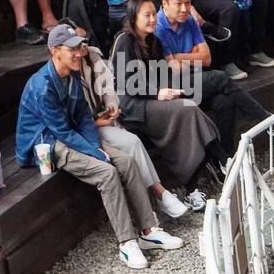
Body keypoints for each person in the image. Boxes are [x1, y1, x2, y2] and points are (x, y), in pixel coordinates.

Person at [17, 25, 184, 269]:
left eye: (79, 47)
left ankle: (149, 230)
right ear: (55, 52)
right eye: (71, 48)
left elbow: (84, 117)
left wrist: (96, 146)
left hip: (70, 134)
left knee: (126, 161)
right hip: (45, 143)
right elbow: (60, 132)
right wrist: (95, 153)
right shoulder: (42, 85)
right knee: (106, 173)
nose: (78, 53)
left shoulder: (72, 74)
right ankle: (126, 243)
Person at [63, 18, 192, 219]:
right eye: (75, 45)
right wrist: (97, 122)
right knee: (131, 144)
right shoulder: (62, 74)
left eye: (83, 42)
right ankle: (159, 195)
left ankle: (157, 201)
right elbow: (71, 120)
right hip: (86, 130)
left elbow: (108, 88)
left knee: (132, 141)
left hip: (104, 120)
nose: (81, 49)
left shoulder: (93, 57)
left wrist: (112, 107)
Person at [153, 0, 274, 152]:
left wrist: (178, 56)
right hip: (171, 86)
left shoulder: (189, 20)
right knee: (219, 77)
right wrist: (191, 56)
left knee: (225, 101)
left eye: (188, 3)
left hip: (194, 78)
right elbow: (173, 68)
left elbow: (206, 59)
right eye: (179, 4)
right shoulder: (158, 27)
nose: (184, 8)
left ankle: (226, 160)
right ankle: (269, 121)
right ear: (165, 3)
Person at [110, 0, 228, 198]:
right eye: (146, 15)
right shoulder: (124, 41)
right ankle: (221, 160)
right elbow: (125, 82)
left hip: (154, 99)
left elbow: (163, 74)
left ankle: (198, 182)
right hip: (132, 106)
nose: (152, 19)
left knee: (187, 106)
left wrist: (170, 90)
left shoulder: (153, 41)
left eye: (154, 14)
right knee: (185, 109)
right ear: (133, 17)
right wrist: (158, 93)